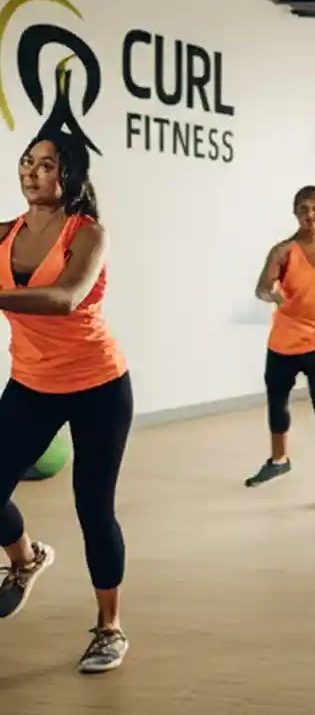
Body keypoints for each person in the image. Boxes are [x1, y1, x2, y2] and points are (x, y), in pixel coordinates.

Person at [0, 132, 133, 673]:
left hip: (98, 383)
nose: (32, 172)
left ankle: (110, 627)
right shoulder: (3, 235)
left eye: (47, 165)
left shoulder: (88, 234)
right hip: (32, 382)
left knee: (93, 510)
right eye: (27, 162)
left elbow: (65, 298)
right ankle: (25, 560)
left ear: (69, 176)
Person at [245, 186, 315, 510]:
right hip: (285, 339)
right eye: (303, 209)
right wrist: (275, 296)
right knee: (277, 401)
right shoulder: (283, 252)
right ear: (295, 213)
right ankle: (279, 460)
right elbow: (261, 289)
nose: (310, 215)